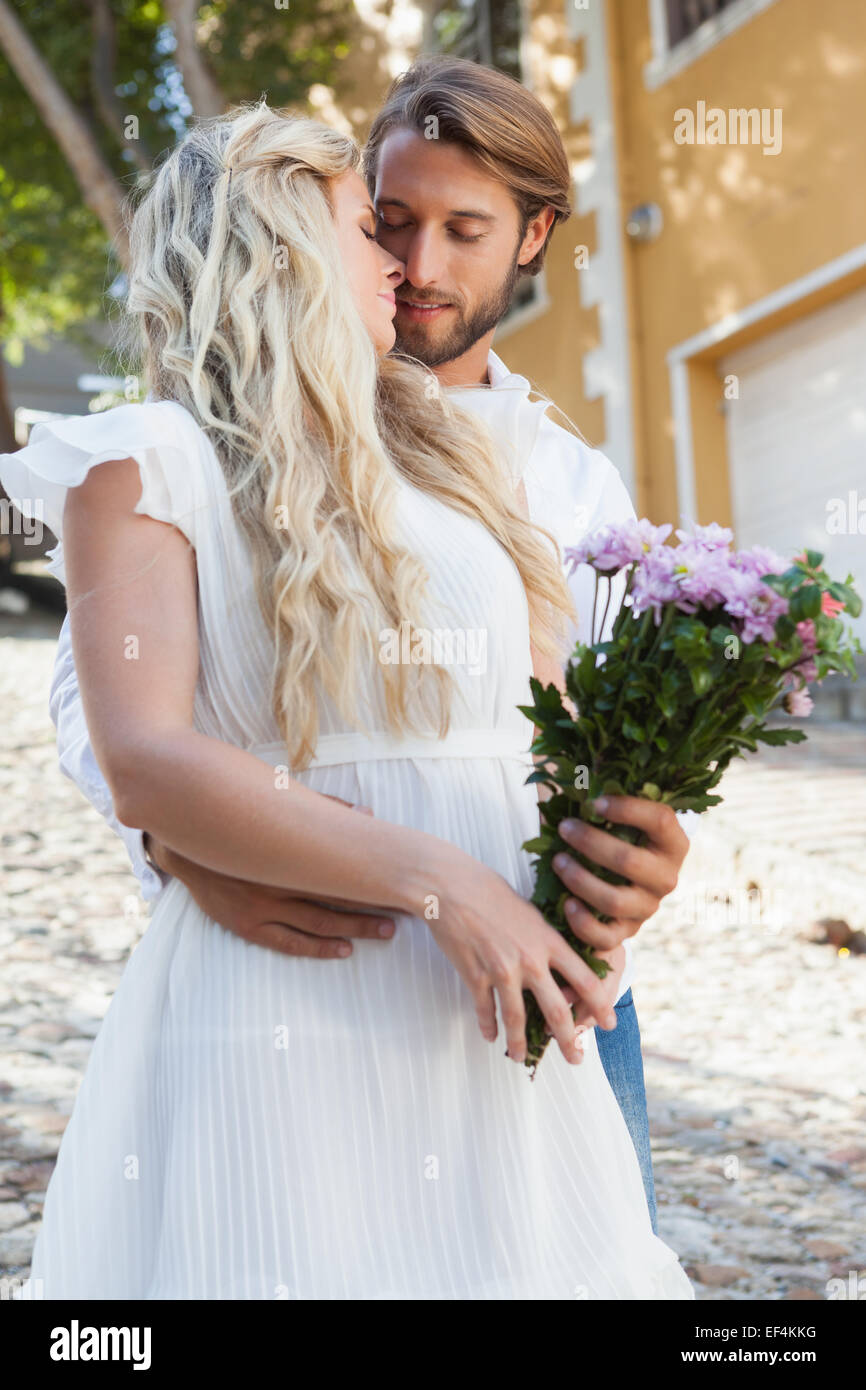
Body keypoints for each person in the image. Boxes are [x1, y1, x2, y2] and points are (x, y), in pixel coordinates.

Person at [2, 103, 693, 1297]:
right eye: (375, 226)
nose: (404, 263)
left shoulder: (482, 459)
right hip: (305, 978)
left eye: (455, 230)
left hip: (510, 988)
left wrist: (636, 845)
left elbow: (557, 728)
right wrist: (180, 836)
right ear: (279, 249)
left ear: (532, 237)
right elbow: (133, 738)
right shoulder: (151, 458)